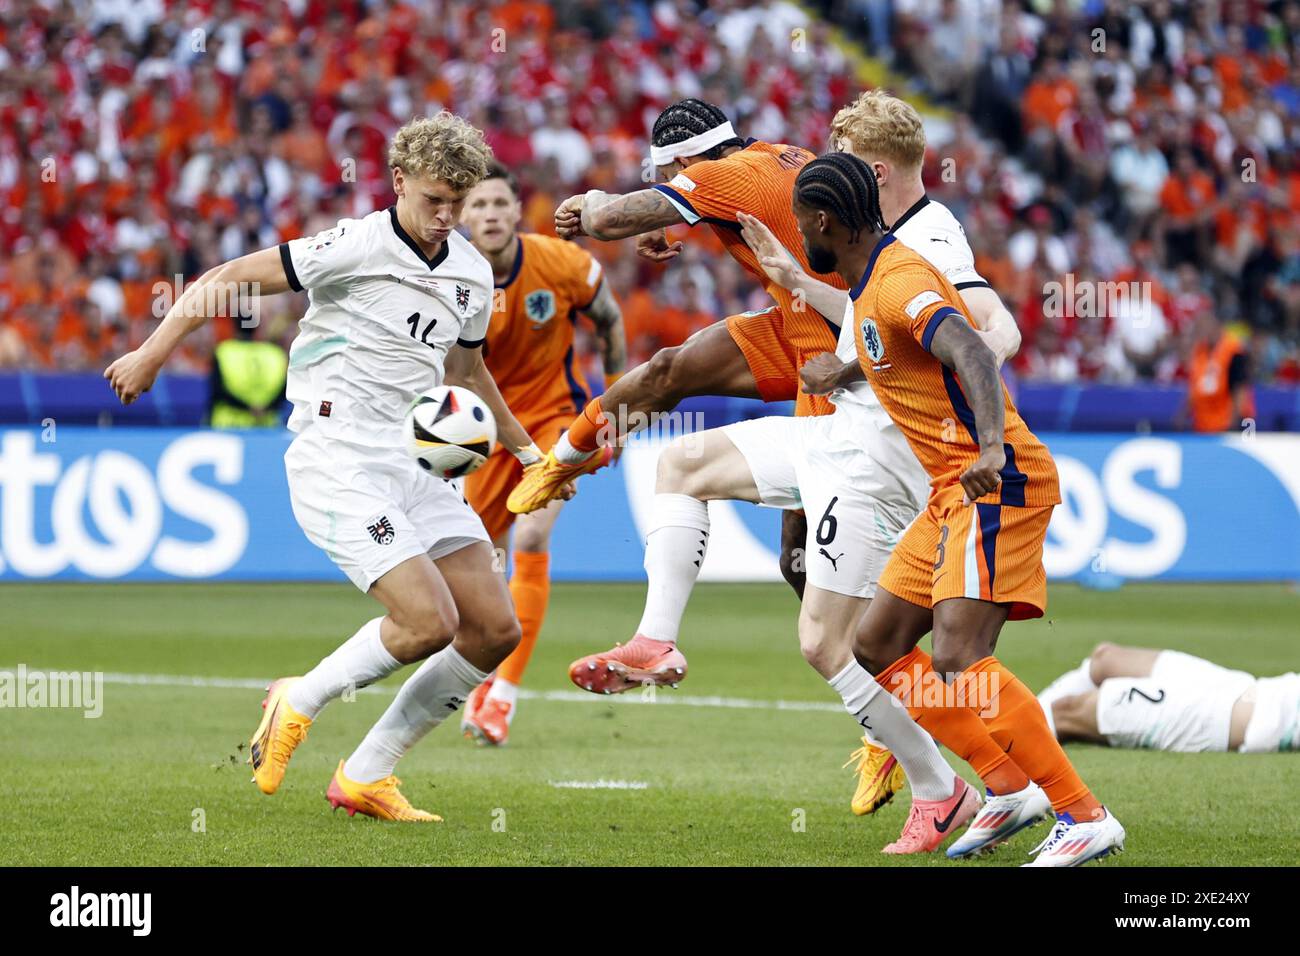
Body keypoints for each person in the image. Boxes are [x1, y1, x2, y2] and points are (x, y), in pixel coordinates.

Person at [106, 113, 569, 821]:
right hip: (338, 457)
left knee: (494, 629)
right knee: (426, 622)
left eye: (459, 201)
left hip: (416, 461)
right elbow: (230, 277)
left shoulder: (472, 273)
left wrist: (533, 454)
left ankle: (367, 774)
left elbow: (469, 371)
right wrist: (151, 351)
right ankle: (299, 698)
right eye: (434, 200)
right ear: (398, 183)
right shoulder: (355, 243)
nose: (447, 216)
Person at [793, 150, 1126, 865]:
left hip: (989, 479)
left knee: (957, 654)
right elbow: (905, 351)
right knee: (876, 644)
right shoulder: (870, 283)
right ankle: (1007, 789)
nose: (799, 237)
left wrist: (991, 450)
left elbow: (970, 351)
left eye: (800, 224)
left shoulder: (900, 279)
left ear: (824, 220)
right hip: (949, 491)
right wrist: (846, 368)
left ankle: (1083, 814)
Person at [507, 99, 844, 614]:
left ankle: (866, 666)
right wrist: (662, 218)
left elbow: (606, 219)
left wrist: (589, 200)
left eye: (666, 174)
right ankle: (566, 460)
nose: (667, 183)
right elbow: (701, 203)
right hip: (804, 323)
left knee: (804, 559)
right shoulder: (777, 155)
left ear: (683, 165)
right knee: (672, 367)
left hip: (838, 357)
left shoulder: (719, 175)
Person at [456, 161, 625, 745]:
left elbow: (609, 319)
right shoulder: (449, 283)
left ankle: (502, 697)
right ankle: (483, 679)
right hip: (487, 436)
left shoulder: (559, 261)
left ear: (516, 209)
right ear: (460, 217)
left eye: (500, 202)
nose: (491, 214)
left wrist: (618, 408)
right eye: (478, 205)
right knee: (481, 566)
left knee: (530, 537)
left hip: (560, 424)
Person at [1039, 643, 1300, 753]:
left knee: (1067, 714)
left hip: (1227, 719)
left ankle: (1004, 786)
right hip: (1247, 687)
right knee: (1106, 657)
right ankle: (1003, 730)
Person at [207, 316, 288, 428]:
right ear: (257, 329)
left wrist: (248, 408)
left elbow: (217, 390)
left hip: (229, 426)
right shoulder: (275, 353)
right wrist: (264, 408)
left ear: (234, 327)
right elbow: (285, 390)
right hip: (267, 426)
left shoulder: (224, 351)